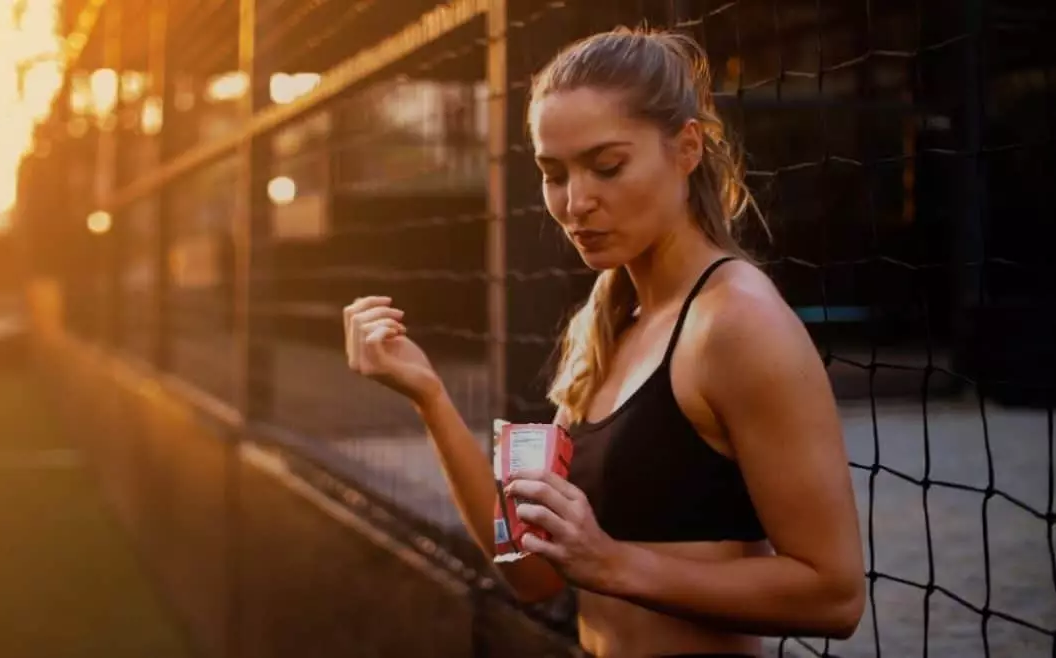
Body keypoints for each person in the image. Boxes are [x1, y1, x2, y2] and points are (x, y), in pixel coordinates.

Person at [343, 26, 865, 658]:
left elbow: (834, 596)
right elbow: (530, 573)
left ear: (688, 148)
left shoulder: (739, 323)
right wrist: (429, 397)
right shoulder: (610, 317)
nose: (575, 202)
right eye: (552, 172)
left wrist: (614, 564)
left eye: (607, 165)